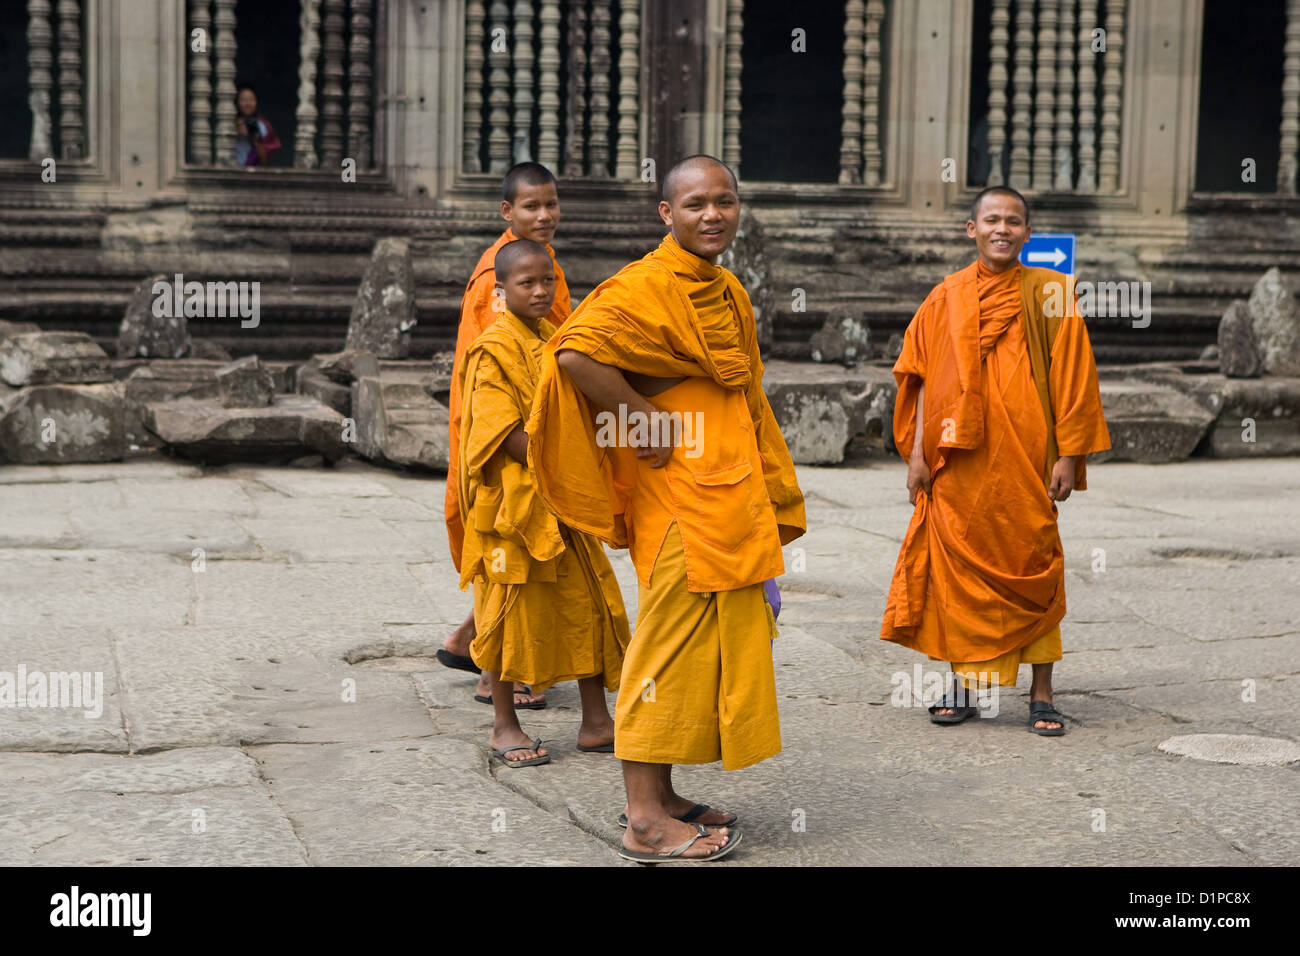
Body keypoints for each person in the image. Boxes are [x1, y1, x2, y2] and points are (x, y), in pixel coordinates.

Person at [527, 155, 806, 862]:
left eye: (724, 202)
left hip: (727, 491)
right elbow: (572, 356)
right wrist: (639, 415)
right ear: (666, 214)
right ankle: (644, 820)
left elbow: (742, 392)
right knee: (664, 649)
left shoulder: (726, 290)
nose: (712, 215)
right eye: (694, 205)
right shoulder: (644, 286)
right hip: (681, 499)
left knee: (697, 656)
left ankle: (667, 793)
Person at [879, 186, 1110, 735]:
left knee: (1034, 562)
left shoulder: (1052, 292)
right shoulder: (944, 297)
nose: (1002, 229)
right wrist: (915, 456)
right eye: (991, 220)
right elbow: (921, 382)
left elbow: (1074, 376)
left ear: (1028, 234)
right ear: (971, 229)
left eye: (1013, 221)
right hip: (957, 460)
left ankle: (1042, 693)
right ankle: (963, 686)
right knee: (959, 572)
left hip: (1028, 456)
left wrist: (1070, 453)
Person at [457, 238, 629, 768]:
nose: (539, 290)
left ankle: (596, 721)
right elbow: (496, 431)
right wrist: (558, 454)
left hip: (564, 498)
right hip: (515, 507)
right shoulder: (494, 348)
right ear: (502, 290)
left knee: (588, 606)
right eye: (526, 283)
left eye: (547, 281)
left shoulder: (557, 339)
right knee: (512, 614)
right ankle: (504, 724)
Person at [437, 162, 571, 710]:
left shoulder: (536, 262)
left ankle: (465, 640)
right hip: (504, 430)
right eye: (531, 207)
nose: (544, 216)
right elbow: (500, 357)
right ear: (506, 213)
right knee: (511, 544)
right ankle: (499, 675)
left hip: (533, 423)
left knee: (528, 546)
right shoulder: (498, 275)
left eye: (551, 204)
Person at [234, 84, 281, 168]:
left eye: (251, 100)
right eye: (243, 100)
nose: (248, 104)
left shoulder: (262, 125)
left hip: (254, 173)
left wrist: (253, 138)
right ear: (237, 102)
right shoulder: (229, 123)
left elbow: (265, 160)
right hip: (232, 170)